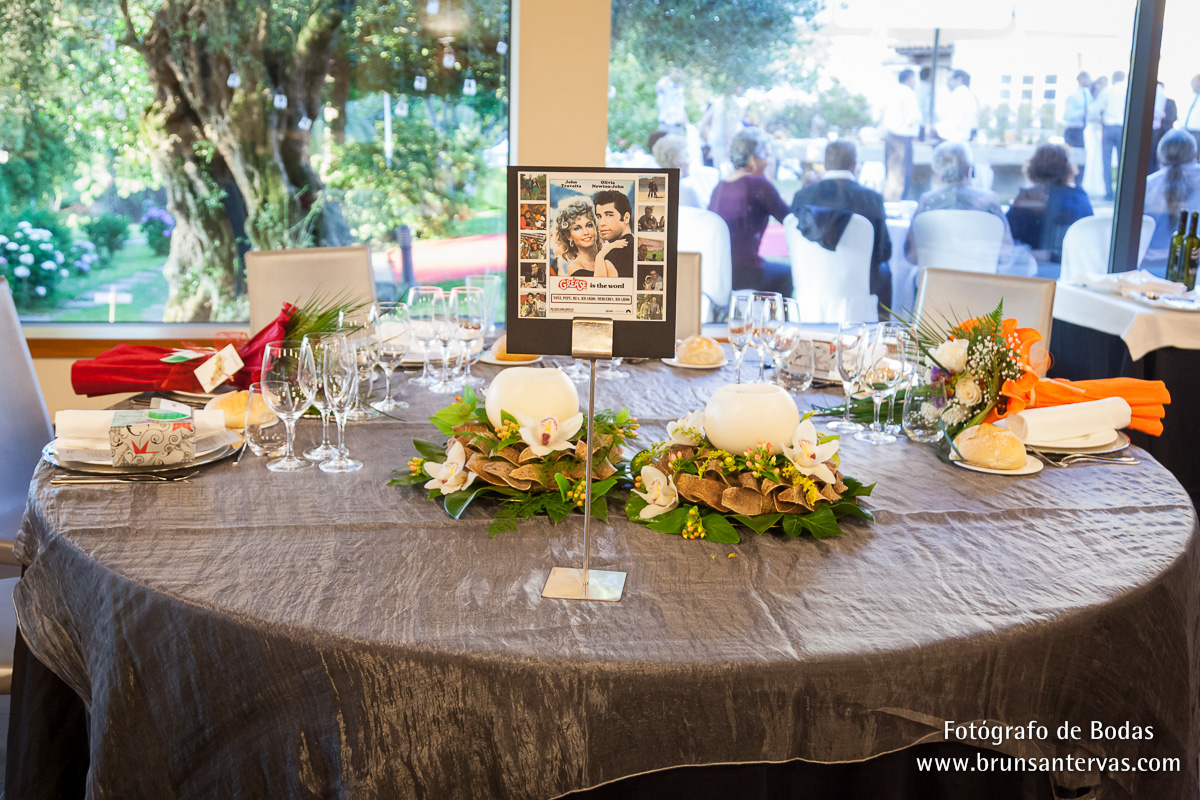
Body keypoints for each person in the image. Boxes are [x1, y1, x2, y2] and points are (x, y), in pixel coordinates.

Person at [789, 139, 892, 310]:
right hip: (857, 290)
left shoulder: (802, 196)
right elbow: (883, 252)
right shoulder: (871, 199)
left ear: (825, 165)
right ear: (854, 165)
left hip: (811, 285)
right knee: (884, 270)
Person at [708, 126, 793, 296]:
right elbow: (790, 219)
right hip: (745, 273)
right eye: (767, 155)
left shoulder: (720, 186)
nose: (769, 161)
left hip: (716, 272)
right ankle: (776, 321)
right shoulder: (758, 185)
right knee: (788, 274)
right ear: (753, 160)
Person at [904, 141, 1013, 266]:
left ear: (937, 171)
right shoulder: (989, 200)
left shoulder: (927, 201)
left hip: (934, 281)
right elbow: (1006, 254)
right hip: (980, 280)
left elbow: (911, 256)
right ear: (969, 169)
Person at [1005, 143, 1093, 263]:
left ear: (1033, 167)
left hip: (1028, 267)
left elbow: (1008, 239)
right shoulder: (1080, 197)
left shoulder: (1024, 198)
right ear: (1067, 168)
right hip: (1069, 265)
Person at [1144, 130, 1200, 256]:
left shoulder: (1147, 185)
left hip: (1147, 266)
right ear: (1194, 154)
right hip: (1194, 265)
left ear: (1159, 155)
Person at [880, 69, 922, 201]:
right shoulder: (907, 92)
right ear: (908, 78)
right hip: (901, 136)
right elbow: (915, 115)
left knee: (893, 174)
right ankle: (896, 204)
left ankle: (891, 203)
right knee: (900, 174)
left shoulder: (892, 91)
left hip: (892, 135)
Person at [552, 199, 620, 278]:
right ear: (569, 236)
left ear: (596, 227)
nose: (585, 232)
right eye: (577, 228)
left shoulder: (611, 256)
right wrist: (600, 257)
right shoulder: (575, 268)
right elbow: (598, 287)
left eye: (589, 225)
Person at [1092, 70, 1128, 200]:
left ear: (1113, 78)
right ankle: (1120, 192)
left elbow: (1095, 109)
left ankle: (1109, 193)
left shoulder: (1108, 91)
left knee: (1106, 161)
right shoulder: (1127, 90)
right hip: (1123, 128)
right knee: (1122, 162)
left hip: (1109, 128)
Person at [592, 189, 634, 278]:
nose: (601, 223)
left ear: (626, 218)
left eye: (609, 215)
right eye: (599, 216)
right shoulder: (638, 246)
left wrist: (600, 257)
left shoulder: (612, 256)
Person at [936, 70, 978, 143]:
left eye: (949, 79)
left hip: (952, 139)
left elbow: (952, 121)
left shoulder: (959, 95)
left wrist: (935, 128)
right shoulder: (967, 95)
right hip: (960, 139)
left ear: (959, 79)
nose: (947, 83)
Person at [1063, 72, 1091, 150]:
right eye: (1087, 78)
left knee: (1081, 158)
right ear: (1080, 79)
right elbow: (1068, 116)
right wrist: (1083, 111)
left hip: (1082, 130)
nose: (1089, 80)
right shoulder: (1073, 96)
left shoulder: (1087, 95)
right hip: (1073, 131)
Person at [1182, 75, 1200, 152]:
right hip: (1187, 131)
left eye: (1193, 83)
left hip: (1197, 132)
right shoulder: (1192, 97)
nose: (1191, 85)